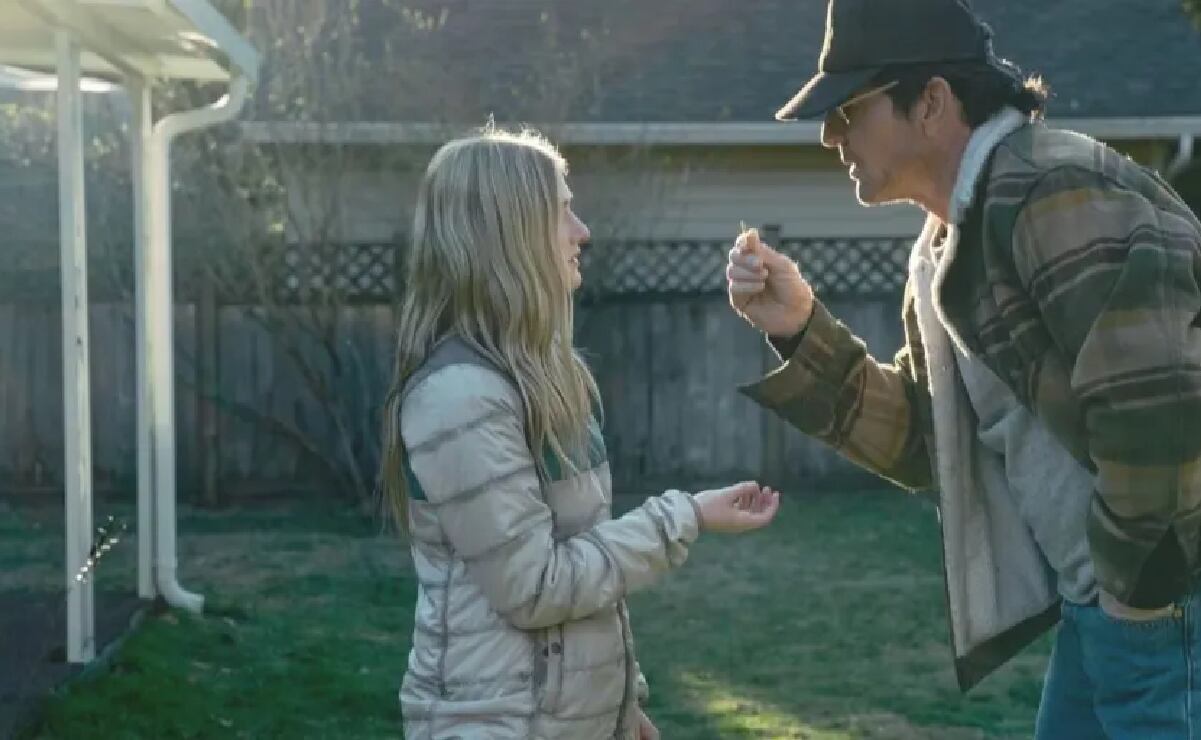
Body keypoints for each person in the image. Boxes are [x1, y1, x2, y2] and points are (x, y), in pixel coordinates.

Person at [725, 0, 1201, 735]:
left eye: (848, 109)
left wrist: (1133, 595)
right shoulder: (946, 244)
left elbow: (1158, 409)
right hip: (1111, 609)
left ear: (932, 102)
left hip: (1164, 608)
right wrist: (799, 329)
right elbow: (927, 444)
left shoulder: (1051, 190)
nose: (829, 136)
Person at [380, 126, 780, 740]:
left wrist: (620, 703)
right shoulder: (459, 397)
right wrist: (687, 516)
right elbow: (534, 587)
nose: (582, 231)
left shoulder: (543, 374)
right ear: (509, 232)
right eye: (562, 211)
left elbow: (586, 561)